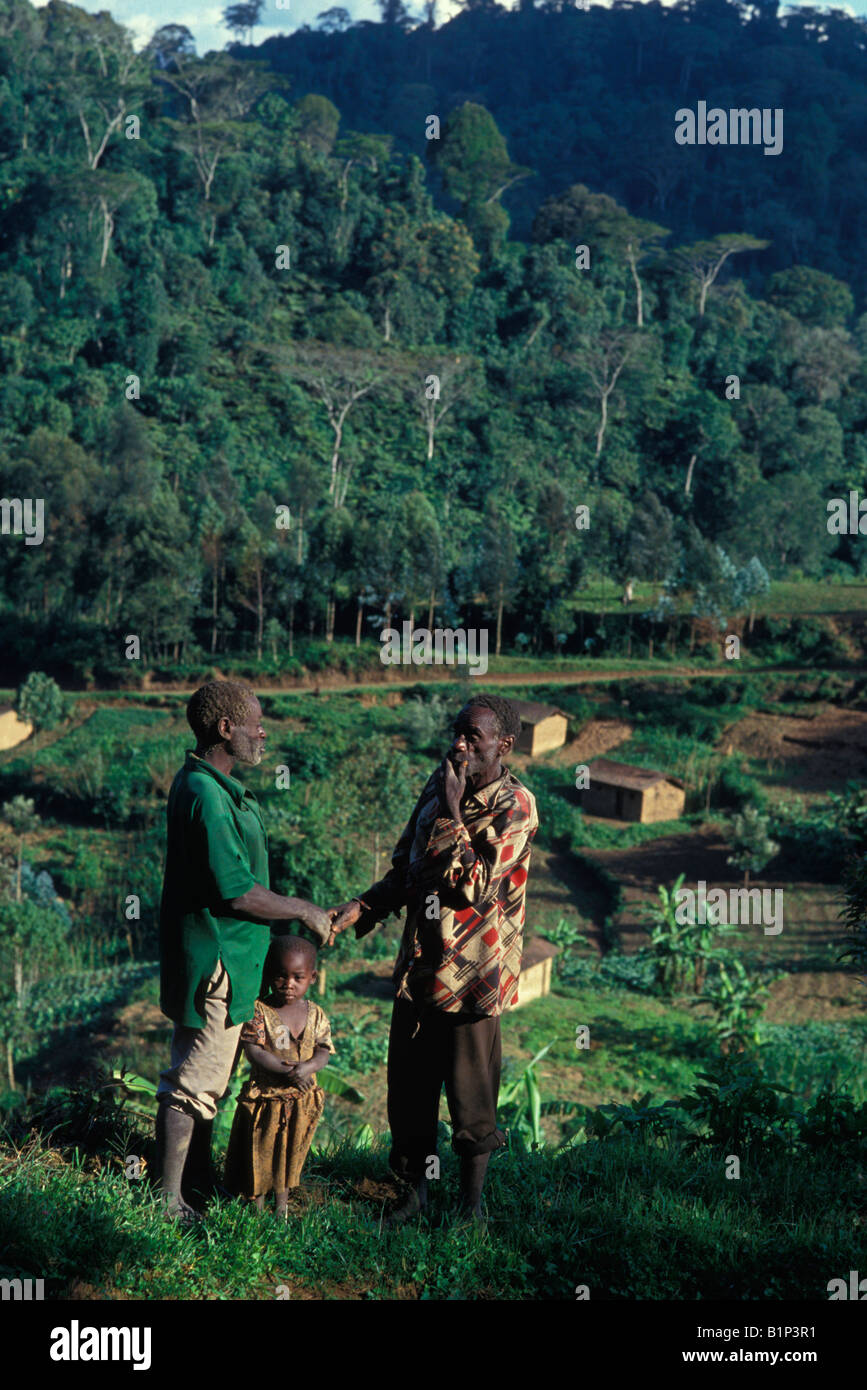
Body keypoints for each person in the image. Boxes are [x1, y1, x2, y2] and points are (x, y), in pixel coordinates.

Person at [330, 694, 538, 1225]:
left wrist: (451, 806)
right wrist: (364, 907)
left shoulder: (515, 805)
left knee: (471, 1100)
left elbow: (474, 886)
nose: (459, 744)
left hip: (471, 979)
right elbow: (409, 867)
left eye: (473, 736)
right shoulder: (440, 780)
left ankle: (471, 1210)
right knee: (410, 1092)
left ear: (504, 745)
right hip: (420, 971)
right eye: (457, 733)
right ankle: (416, 1196)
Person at [156, 680, 334, 1220]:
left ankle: (197, 1182)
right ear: (225, 729)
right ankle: (165, 1203)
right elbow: (236, 890)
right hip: (218, 962)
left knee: (211, 1081)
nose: (264, 732)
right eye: (255, 723)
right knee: (192, 1085)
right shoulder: (206, 795)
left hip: (233, 960)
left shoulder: (218, 788)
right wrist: (303, 910)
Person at [224, 935, 334, 1217]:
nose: (288, 984)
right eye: (280, 976)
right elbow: (254, 1051)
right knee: (261, 1151)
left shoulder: (316, 1014)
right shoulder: (260, 1011)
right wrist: (289, 1072)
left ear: (312, 977)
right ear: (269, 976)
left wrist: (306, 1069)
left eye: (298, 977)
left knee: (288, 1154)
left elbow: (324, 1050)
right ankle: (257, 1207)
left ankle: (282, 1208)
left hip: (300, 1103)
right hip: (267, 1100)